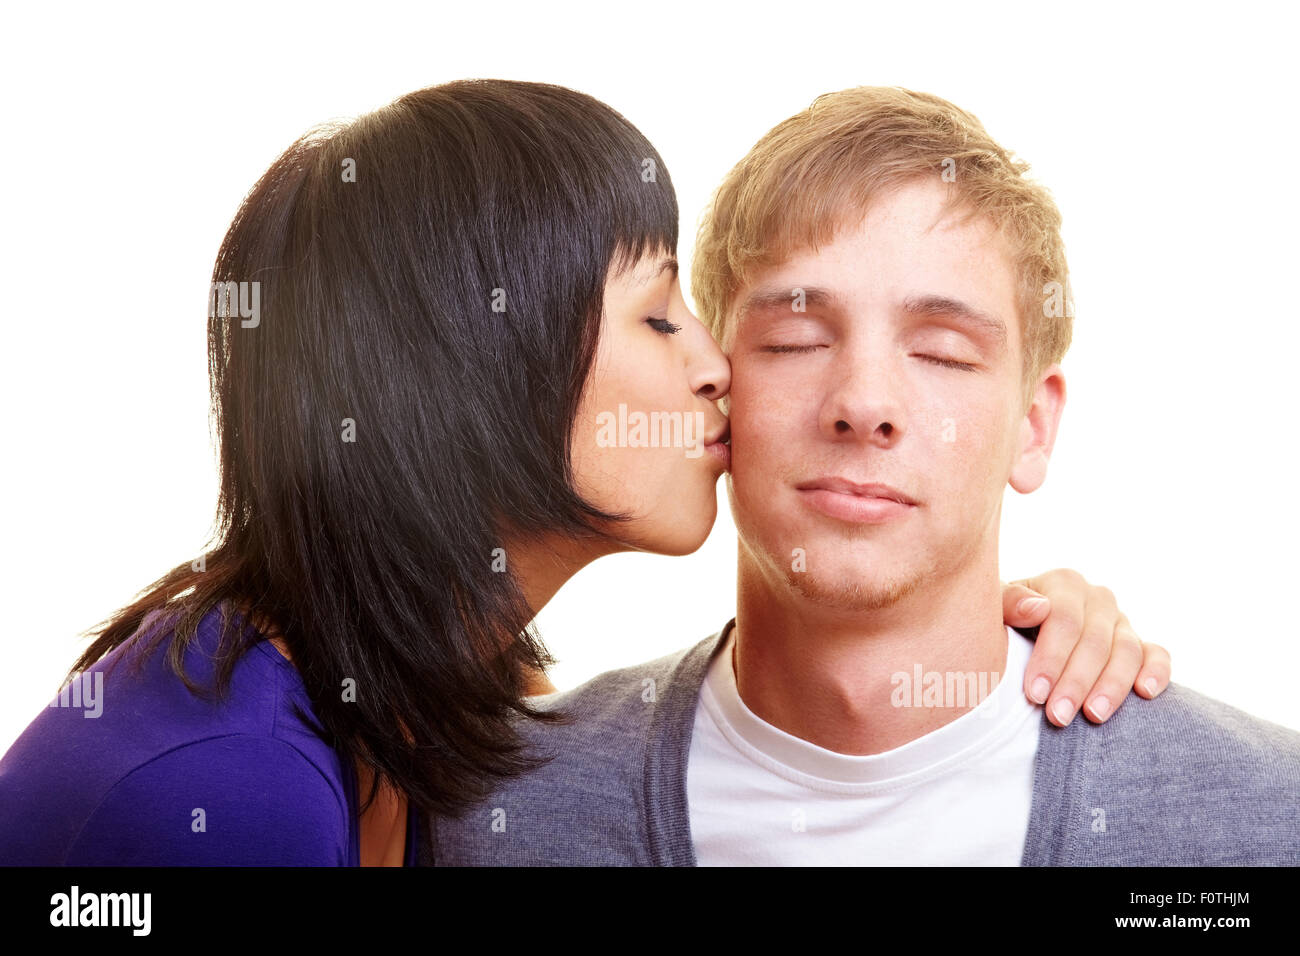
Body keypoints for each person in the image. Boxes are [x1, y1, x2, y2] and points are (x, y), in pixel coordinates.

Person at [0, 81, 1166, 867]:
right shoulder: (224, 789)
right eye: (662, 316)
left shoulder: (434, 715)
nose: (717, 368)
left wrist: (1010, 631)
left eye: (943, 351)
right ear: (484, 368)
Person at [423, 87, 1300, 866]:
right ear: (718, 384)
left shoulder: (1267, 819)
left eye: (943, 354)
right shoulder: (483, 812)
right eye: (796, 342)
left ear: (1032, 428)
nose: (863, 404)